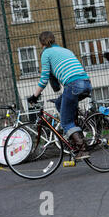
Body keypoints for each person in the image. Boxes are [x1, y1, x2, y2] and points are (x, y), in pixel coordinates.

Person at [28, 31, 92, 160]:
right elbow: (57, 86)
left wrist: (34, 96)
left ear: (41, 43)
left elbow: (44, 78)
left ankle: (82, 149)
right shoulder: (65, 50)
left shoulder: (46, 53)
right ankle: (76, 128)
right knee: (59, 103)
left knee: (65, 122)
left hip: (73, 85)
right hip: (86, 83)